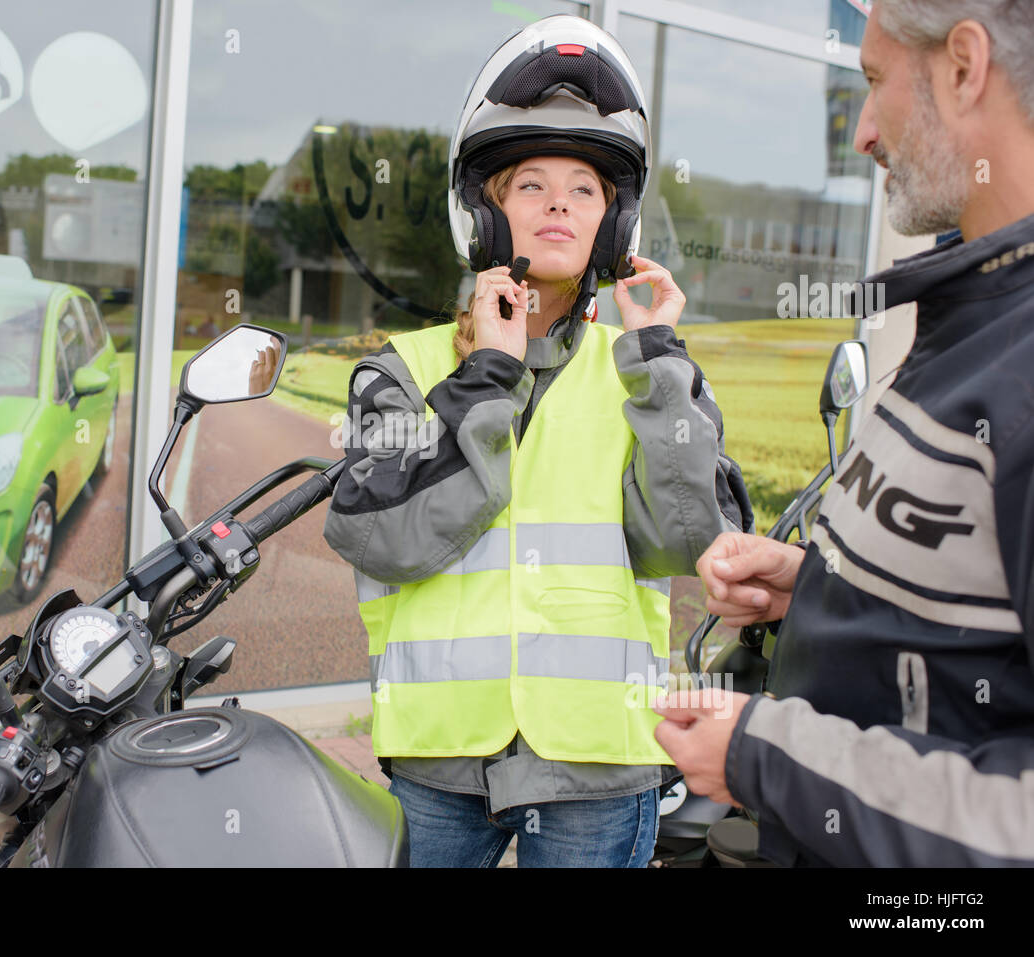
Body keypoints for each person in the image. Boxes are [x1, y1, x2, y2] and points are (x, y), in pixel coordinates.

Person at [322, 15, 752, 868]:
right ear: (483, 215)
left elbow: (692, 541)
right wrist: (486, 374)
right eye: (530, 184)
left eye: (585, 188)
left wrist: (660, 361)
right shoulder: (400, 371)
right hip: (440, 761)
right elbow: (385, 537)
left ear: (614, 225)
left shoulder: (649, 375)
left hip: (597, 764)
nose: (559, 201)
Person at [655, 0, 1034, 866]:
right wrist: (820, 587)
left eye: (872, 81)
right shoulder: (975, 317)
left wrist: (763, 755)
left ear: (965, 66)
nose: (862, 132)